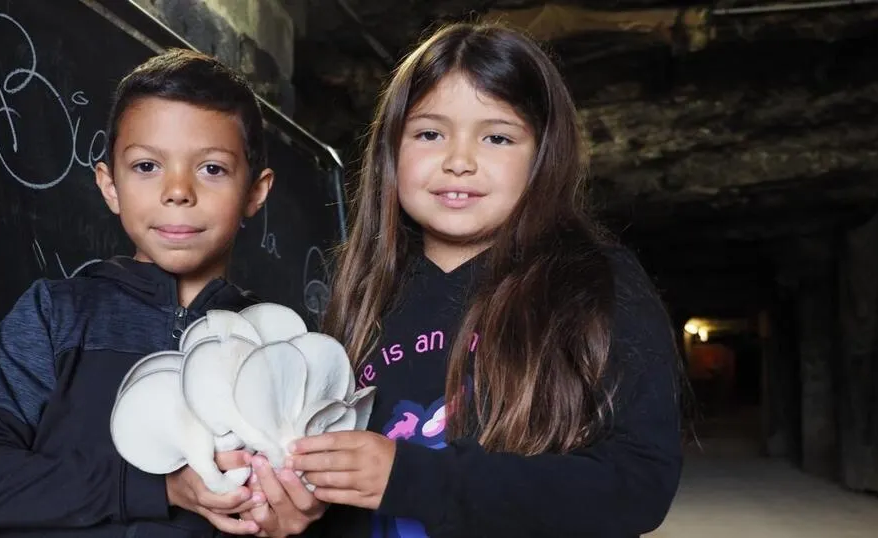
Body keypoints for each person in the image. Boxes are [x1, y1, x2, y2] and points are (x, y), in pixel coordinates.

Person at [262, 21, 685, 537]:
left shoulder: (597, 282)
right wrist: (292, 507)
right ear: (392, 150)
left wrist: (415, 478)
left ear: (542, 156)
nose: (459, 161)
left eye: (498, 137)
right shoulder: (354, 291)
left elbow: (640, 484)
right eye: (429, 133)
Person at [0, 48, 284, 537]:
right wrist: (159, 488)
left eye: (212, 169)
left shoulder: (281, 345)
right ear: (109, 185)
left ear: (256, 192)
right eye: (146, 167)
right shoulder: (55, 315)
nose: (177, 191)